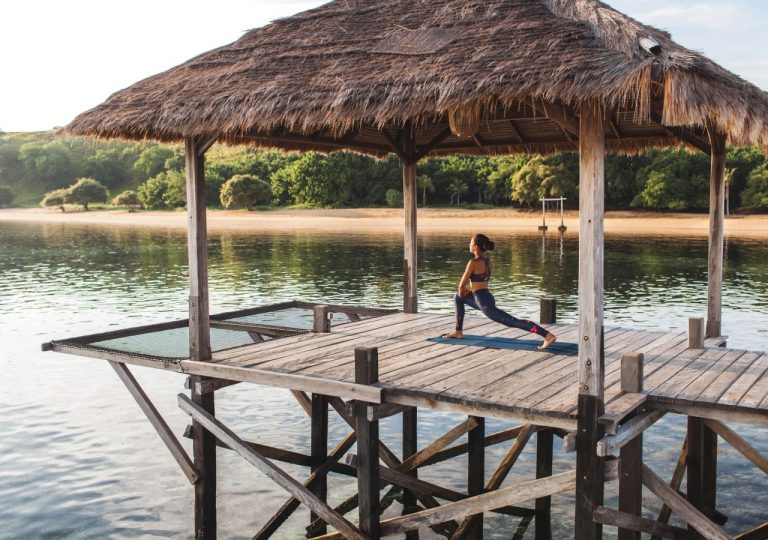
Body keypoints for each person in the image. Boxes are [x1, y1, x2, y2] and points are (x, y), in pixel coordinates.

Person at [443, 233, 557, 349]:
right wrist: (468, 292)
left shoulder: (473, 262)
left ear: (476, 247)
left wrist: (463, 293)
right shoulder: (488, 261)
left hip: (482, 301)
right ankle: (458, 331)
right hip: (486, 297)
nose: (469, 244)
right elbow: (481, 281)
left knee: (512, 321)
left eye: (471, 242)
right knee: (457, 297)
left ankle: (547, 335)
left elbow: (461, 286)